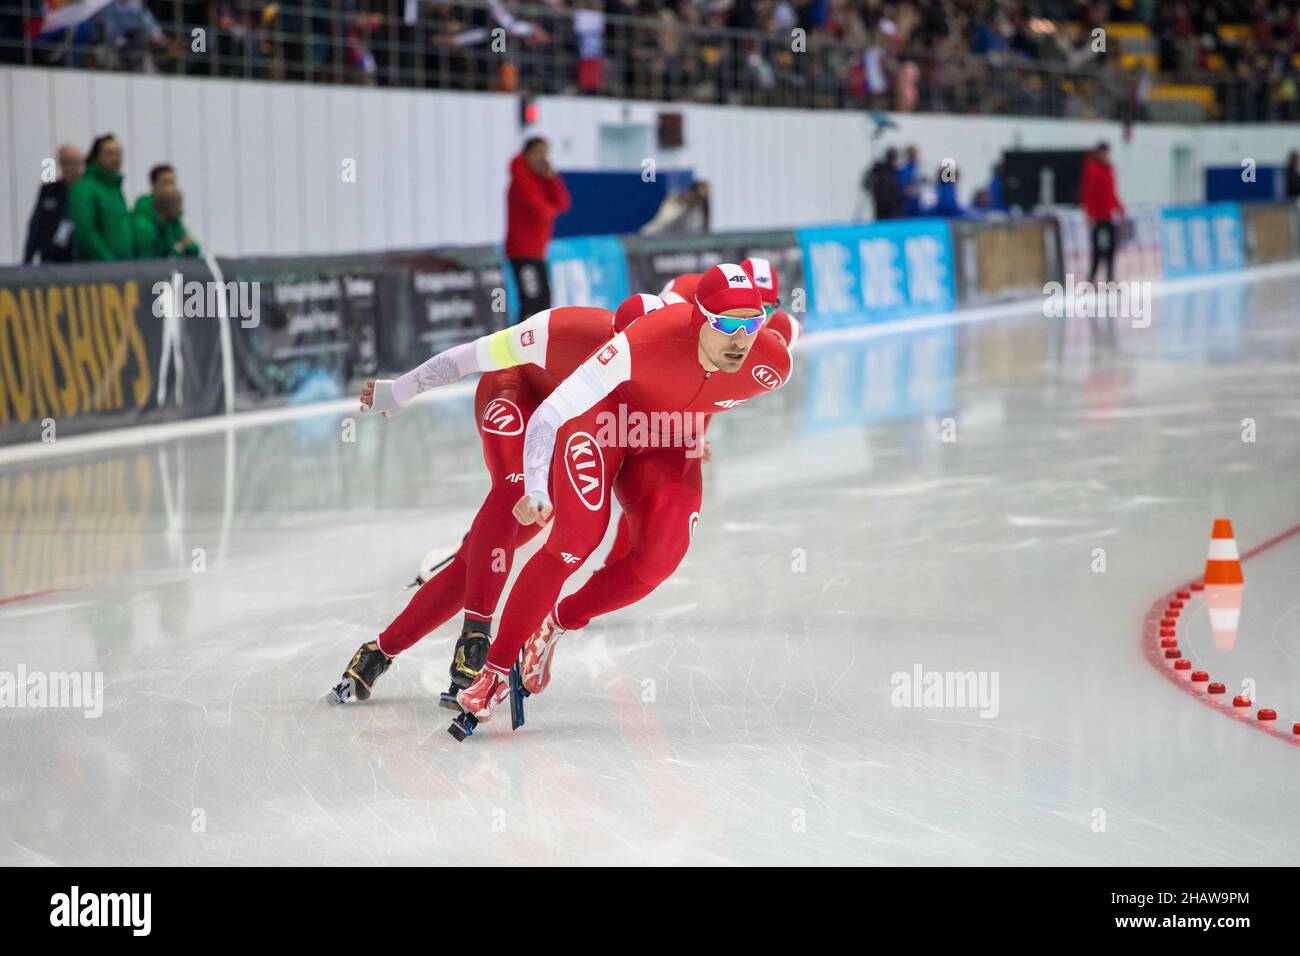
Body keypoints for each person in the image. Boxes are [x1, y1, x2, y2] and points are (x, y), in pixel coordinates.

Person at [456, 264, 795, 726]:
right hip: (609, 420)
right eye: (728, 325)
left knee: (659, 559)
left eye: (757, 320)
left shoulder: (774, 359)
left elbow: (710, 389)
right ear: (699, 316)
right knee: (574, 542)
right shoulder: (650, 334)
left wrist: (694, 429)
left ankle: (555, 621)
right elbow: (555, 410)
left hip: (670, 439)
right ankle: (494, 670)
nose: (741, 338)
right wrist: (535, 482)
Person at [331, 292, 668, 706]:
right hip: (514, 386)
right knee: (515, 487)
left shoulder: (668, 363)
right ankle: (476, 638)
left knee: (480, 557)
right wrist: (399, 391)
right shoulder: (561, 332)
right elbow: (470, 356)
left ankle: (379, 652)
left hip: (562, 422)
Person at [505, 137, 570, 324]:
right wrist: (550, 208)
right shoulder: (521, 179)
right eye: (539, 153)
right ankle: (520, 346)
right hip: (523, 251)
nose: (543, 158)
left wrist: (551, 178)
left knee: (543, 301)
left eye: (546, 153)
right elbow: (541, 210)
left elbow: (563, 203)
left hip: (537, 251)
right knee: (531, 301)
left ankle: (536, 344)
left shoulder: (541, 178)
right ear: (528, 154)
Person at [68, 134, 134, 261]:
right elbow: (84, 231)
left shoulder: (114, 188)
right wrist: (107, 260)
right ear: (96, 157)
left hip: (122, 267)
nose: (116, 158)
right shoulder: (84, 187)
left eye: (119, 153)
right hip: (97, 272)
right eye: (110, 154)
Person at [23, 144, 83, 264]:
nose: (69, 167)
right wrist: (27, 260)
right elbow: (35, 226)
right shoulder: (48, 191)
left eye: (73, 162)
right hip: (51, 259)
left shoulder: (87, 192)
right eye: (65, 162)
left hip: (80, 259)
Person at [1080, 141, 1125, 284]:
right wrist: (1090, 215)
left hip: (1108, 215)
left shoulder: (1109, 169)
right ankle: (1091, 278)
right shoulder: (1092, 170)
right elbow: (1088, 194)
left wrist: (1119, 207)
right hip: (1097, 217)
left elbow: (1111, 192)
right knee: (1097, 250)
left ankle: (1110, 278)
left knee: (1112, 248)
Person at [132, 186, 200, 258]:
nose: (181, 210)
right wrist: (177, 251)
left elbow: (194, 248)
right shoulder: (147, 230)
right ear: (170, 208)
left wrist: (186, 246)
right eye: (178, 206)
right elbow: (149, 263)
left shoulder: (174, 223)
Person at [865, 147, 903, 220]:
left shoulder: (885, 172)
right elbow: (889, 197)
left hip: (883, 212)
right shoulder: (886, 175)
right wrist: (904, 194)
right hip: (889, 214)